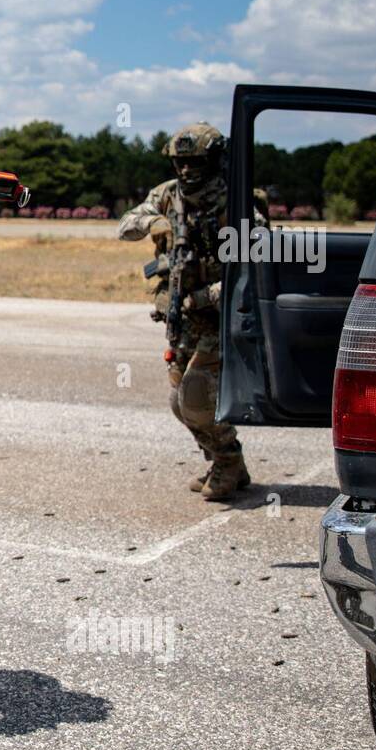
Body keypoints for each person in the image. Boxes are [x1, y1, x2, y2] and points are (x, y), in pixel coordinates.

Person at [117, 122, 262, 501]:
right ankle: (224, 462)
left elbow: (254, 265)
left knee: (196, 398)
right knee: (177, 401)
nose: (186, 170)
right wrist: (154, 221)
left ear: (213, 160)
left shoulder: (237, 200)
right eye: (180, 162)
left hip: (221, 316)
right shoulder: (167, 195)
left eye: (195, 161)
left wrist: (205, 297)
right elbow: (125, 225)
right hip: (181, 318)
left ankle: (228, 465)